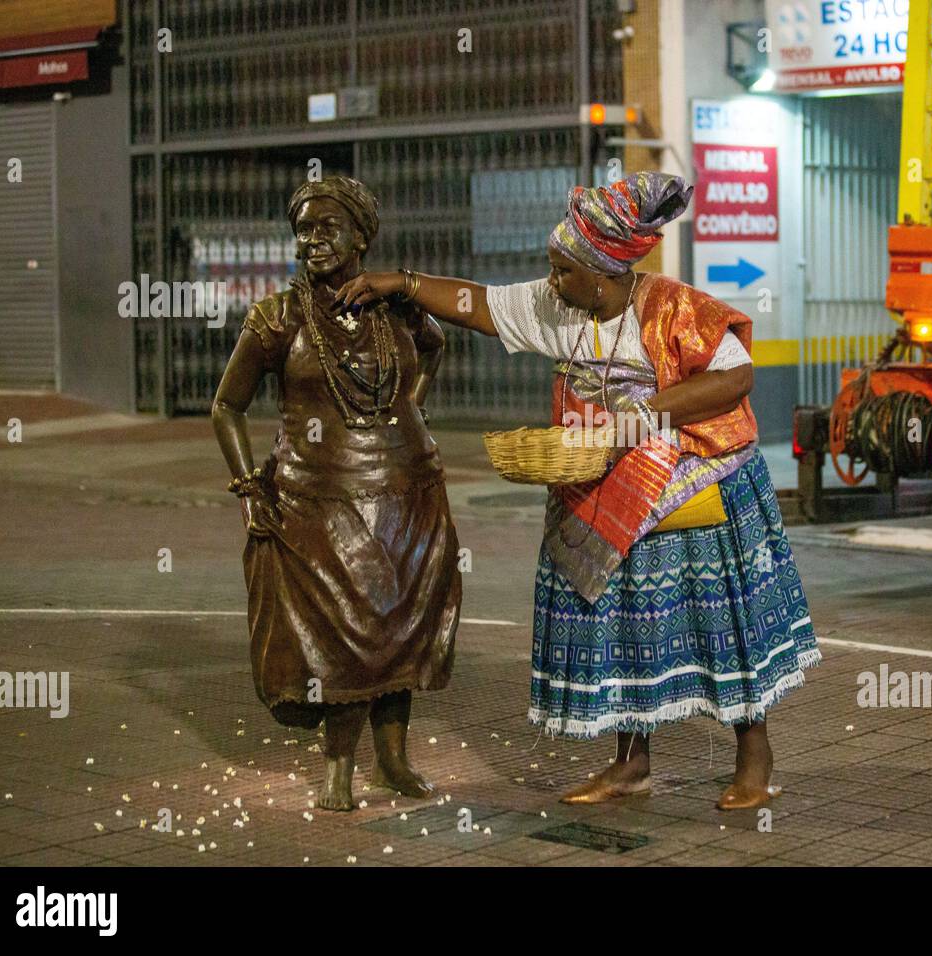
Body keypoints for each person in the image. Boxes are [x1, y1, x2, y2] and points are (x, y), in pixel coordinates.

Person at [335, 171, 820, 810]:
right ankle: (629, 763)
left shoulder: (674, 307)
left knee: (721, 625)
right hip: (607, 482)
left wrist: (640, 418)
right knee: (616, 624)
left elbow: (735, 377)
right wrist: (403, 284)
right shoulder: (562, 309)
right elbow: (480, 305)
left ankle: (754, 759)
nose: (554, 283)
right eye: (553, 270)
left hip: (697, 488)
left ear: (605, 271)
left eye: (564, 271)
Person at [211, 175, 461, 812]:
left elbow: (436, 346)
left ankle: (395, 759)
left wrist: (410, 414)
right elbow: (226, 406)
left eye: (327, 228)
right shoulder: (279, 316)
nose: (311, 241)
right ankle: (338, 767)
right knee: (340, 639)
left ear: (360, 236)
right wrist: (247, 487)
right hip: (317, 502)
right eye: (302, 229)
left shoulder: (396, 306)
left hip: (408, 492)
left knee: (402, 630)